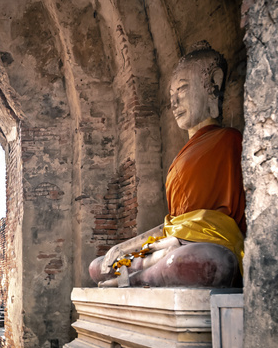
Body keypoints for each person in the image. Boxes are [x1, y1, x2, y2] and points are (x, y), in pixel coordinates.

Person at [89, 41, 245, 288]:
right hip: (170, 246)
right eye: (171, 95)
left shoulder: (229, 140)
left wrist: (184, 240)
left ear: (213, 85)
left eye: (182, 90)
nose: (174, 103)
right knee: (99, 266)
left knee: (201, 261)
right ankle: (141, 273)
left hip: (208, 245)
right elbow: (174, 223)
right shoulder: (178, 160)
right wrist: (125, 246)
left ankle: (138, 279)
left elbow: (233, 222)